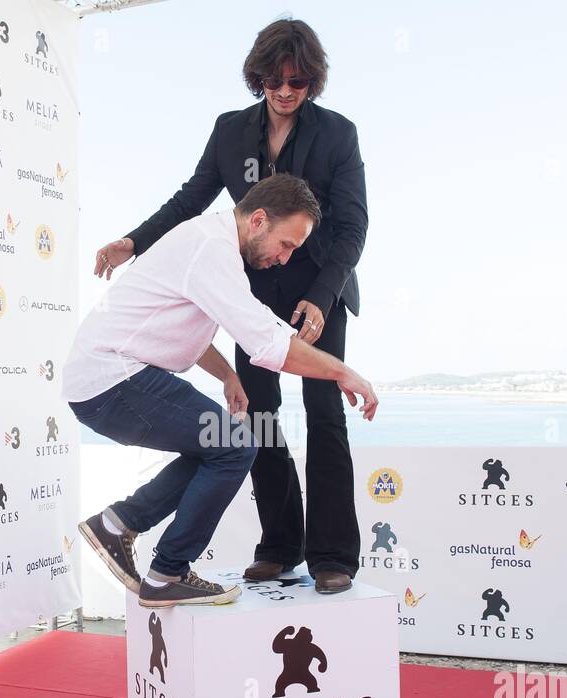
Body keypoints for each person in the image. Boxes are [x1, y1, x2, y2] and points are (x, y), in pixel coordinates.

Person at [92, 17, 367, 594]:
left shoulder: (338, 134)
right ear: (258, 78)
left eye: (297, 81)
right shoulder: (230, 131)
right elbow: (192, 198)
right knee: (258, 419)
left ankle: (333, 554)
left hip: (321, 289)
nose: (285, 92)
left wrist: (322, 297)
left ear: (312, 81)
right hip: (254, 290)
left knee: (324, 418)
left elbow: (353, 228)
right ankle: (279, 543)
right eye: (274, 81)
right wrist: (133, 241)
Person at [65, 175, 377, 608]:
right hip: (113, 379)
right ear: (259, 221)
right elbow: (270, 344)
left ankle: (118, 525)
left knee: (217, 444)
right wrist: (343, 372)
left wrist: (229, 375)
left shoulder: (208, 240)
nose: (285, 259)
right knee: (235, 445)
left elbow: (177, 324)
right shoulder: (213, 250)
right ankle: (167, 572)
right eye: (286, 244)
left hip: (106, 378)